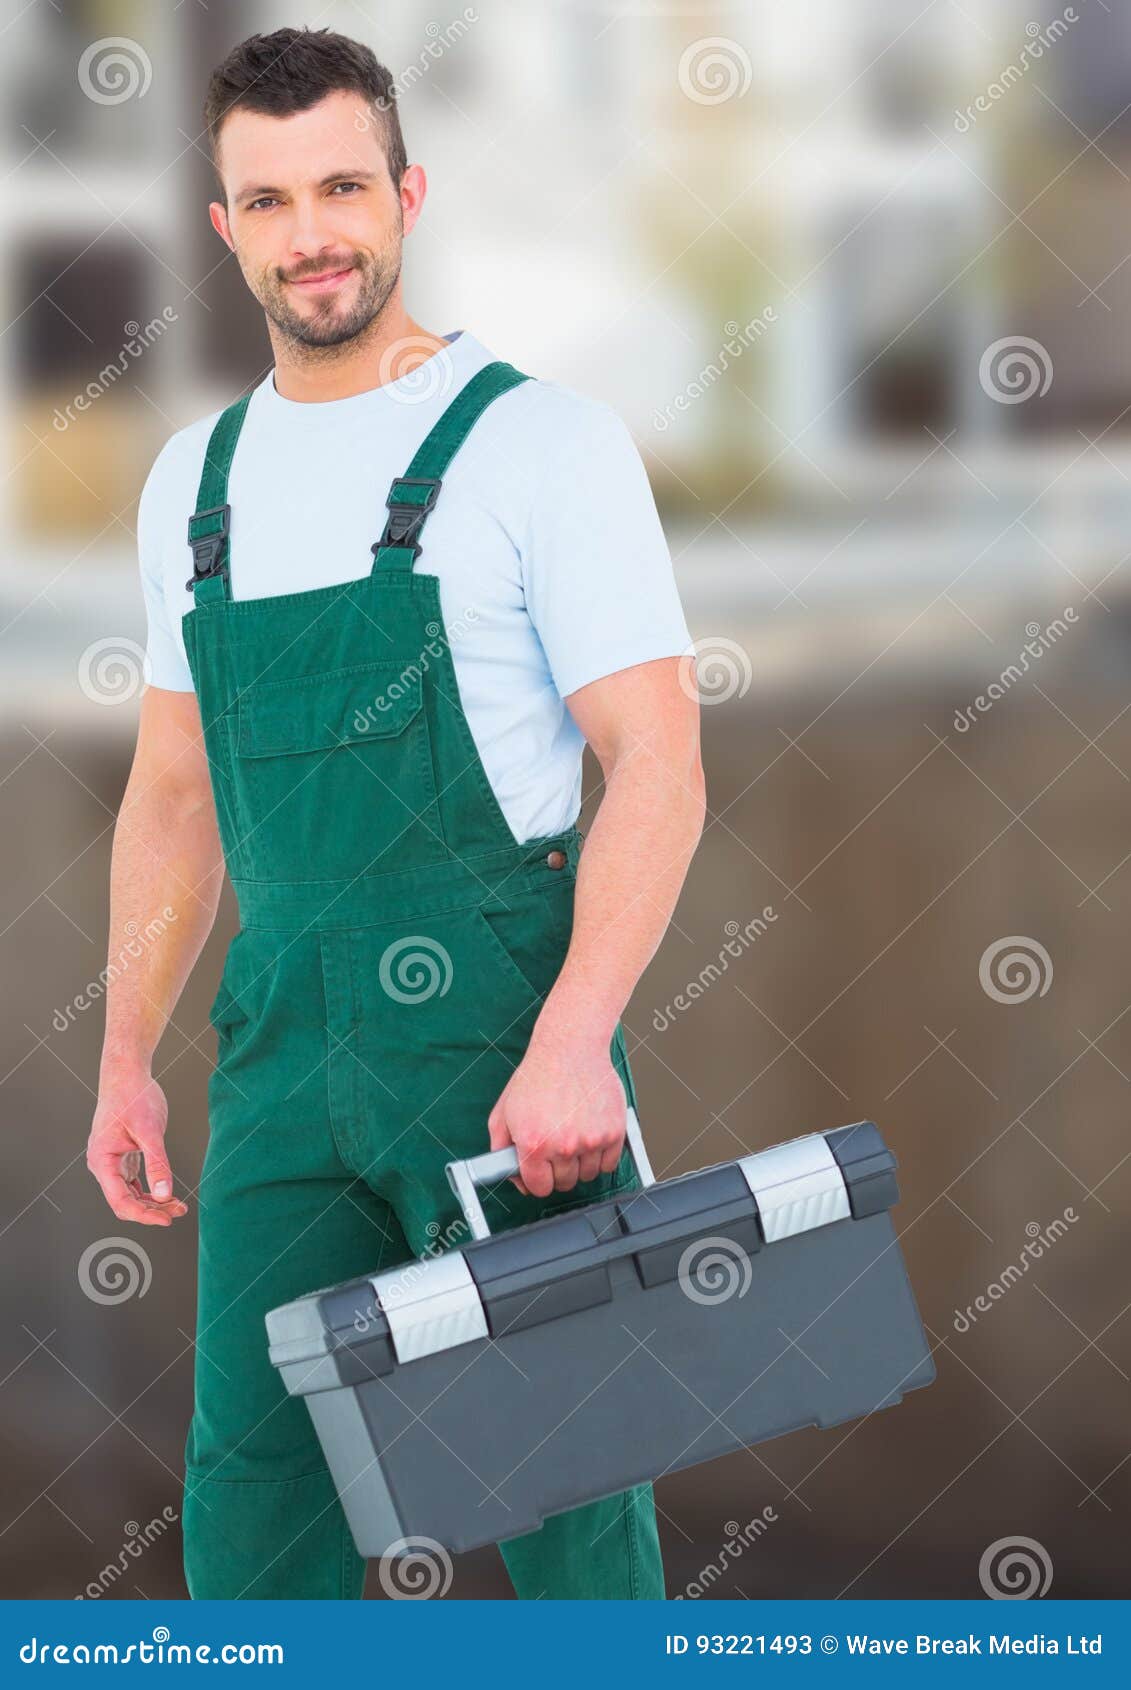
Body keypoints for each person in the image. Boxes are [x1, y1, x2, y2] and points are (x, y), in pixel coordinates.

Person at [87, 25, 704, 1601]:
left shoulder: (538, 444)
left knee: (567, 1502)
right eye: (272, 200)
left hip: (500, 1053)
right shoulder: (192, 483)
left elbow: (658, 761)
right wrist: (125, 1055)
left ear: (408, 192)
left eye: (345, 186)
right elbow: (173, 794)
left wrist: (577, 1036)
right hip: (284, 1054)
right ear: (224, 230)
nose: (315, 233)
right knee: (254, 1508)